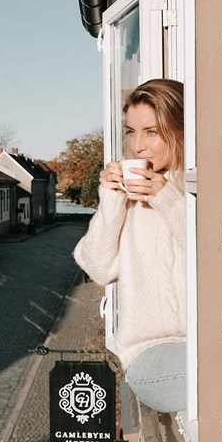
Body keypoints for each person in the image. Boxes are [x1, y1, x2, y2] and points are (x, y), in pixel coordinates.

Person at [73, 79, 186, 413]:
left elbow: (213, 257)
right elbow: (98, 268)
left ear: (179, 129)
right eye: (132, 132)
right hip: (150, 353)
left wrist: (168, 199)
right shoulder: (129, 198)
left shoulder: (196, 187)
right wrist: (110, 199)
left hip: (203, 342)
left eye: (151, 132)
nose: (138, 146)